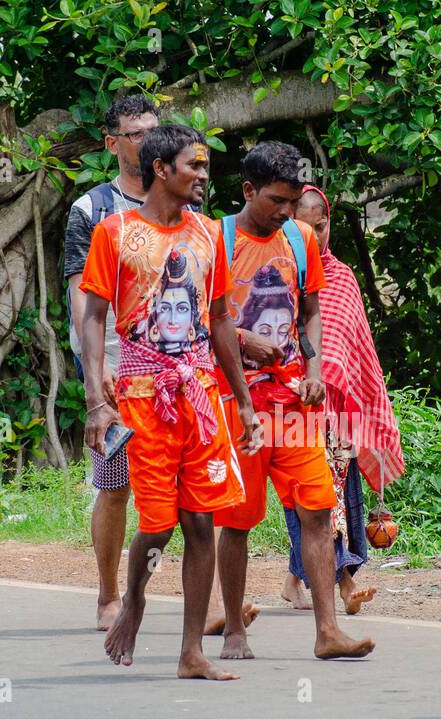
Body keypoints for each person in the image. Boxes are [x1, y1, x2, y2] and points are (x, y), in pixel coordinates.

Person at [80, 124, 263, 680]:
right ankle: (133, 599)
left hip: (202, 398)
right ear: (162, 169)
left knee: (202, 522)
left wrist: (244, 402)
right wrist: (95, 399)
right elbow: (92, 317)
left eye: (206, 167)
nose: (205, 177)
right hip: (141, 399)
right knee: (156, 526)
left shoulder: (209, 235)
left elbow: (221, 321)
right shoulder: (114, 233)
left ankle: (191, 652)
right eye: (195, 166)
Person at [212, 142, 376, 661]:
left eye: (291, 201)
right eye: (275, 200)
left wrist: (312, 369)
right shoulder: (216, 240)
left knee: (318, 511)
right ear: (247, 191)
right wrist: (244, 340)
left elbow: (310, 312)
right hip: (236, 401)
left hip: (292, 399)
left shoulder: (301, 240)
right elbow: (201, 321)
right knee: (238, 519)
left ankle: (327, 632)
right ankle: (235, 629)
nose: (284, 211)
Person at [281, 184, 404, 615]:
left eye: (323, 225)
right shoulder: (279, 275)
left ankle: (296, 581)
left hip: (338, 419)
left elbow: (358, 352)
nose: (317, 236)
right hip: (293, 410)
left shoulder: (344, 278)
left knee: (334, 500)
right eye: (306, 227)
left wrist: (351, 397)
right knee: (312, 502)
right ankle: (344, 583)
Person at [64, 95, 157, 632]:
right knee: (115, 482)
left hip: (173, 366)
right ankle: (107, 593)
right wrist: (94, 368)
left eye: (153, 130)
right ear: (112, 143)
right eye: (135, 133)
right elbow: (83, 296)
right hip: (115, 364)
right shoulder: (92, 210)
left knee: (185, 484)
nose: (146, 140)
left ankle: (211, 602)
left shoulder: (186, 206)